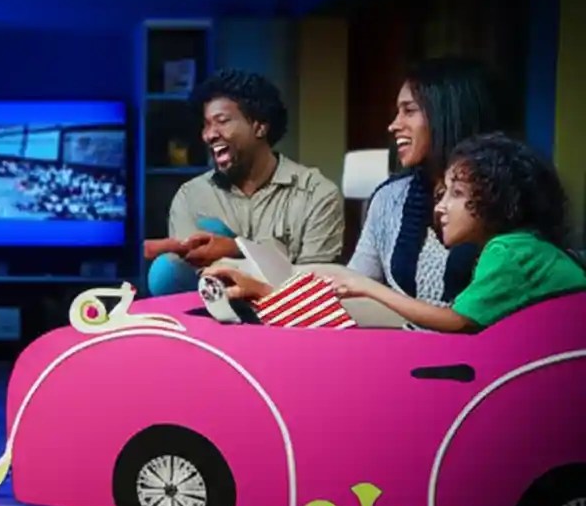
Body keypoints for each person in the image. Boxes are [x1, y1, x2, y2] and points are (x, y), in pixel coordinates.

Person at [209, 57, 507, 323]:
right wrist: (260, 279)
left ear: (448, 114)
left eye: (409, 111)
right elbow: (353, 283)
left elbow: (470, 319)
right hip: (403, 351)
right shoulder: (390, 199)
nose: (394, 125)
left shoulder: (504, 199)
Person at [323, 133, 585, 332]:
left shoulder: (506, 251)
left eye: (456, 194)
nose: (441, 207)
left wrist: (369, 288)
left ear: (497, 199)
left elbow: (456, 321)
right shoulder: (520, 246)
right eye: (442, 193)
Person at [144, 69, 344, 296]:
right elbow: (187, 283)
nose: (209, 135)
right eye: (206, 125)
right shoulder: (191, 196)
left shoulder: (316, 193)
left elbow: (314, 286)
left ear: (260, 127)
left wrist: (237, 249)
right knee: (165, 270)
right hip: (214, 314)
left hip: (290, 318)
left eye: (222, 121)